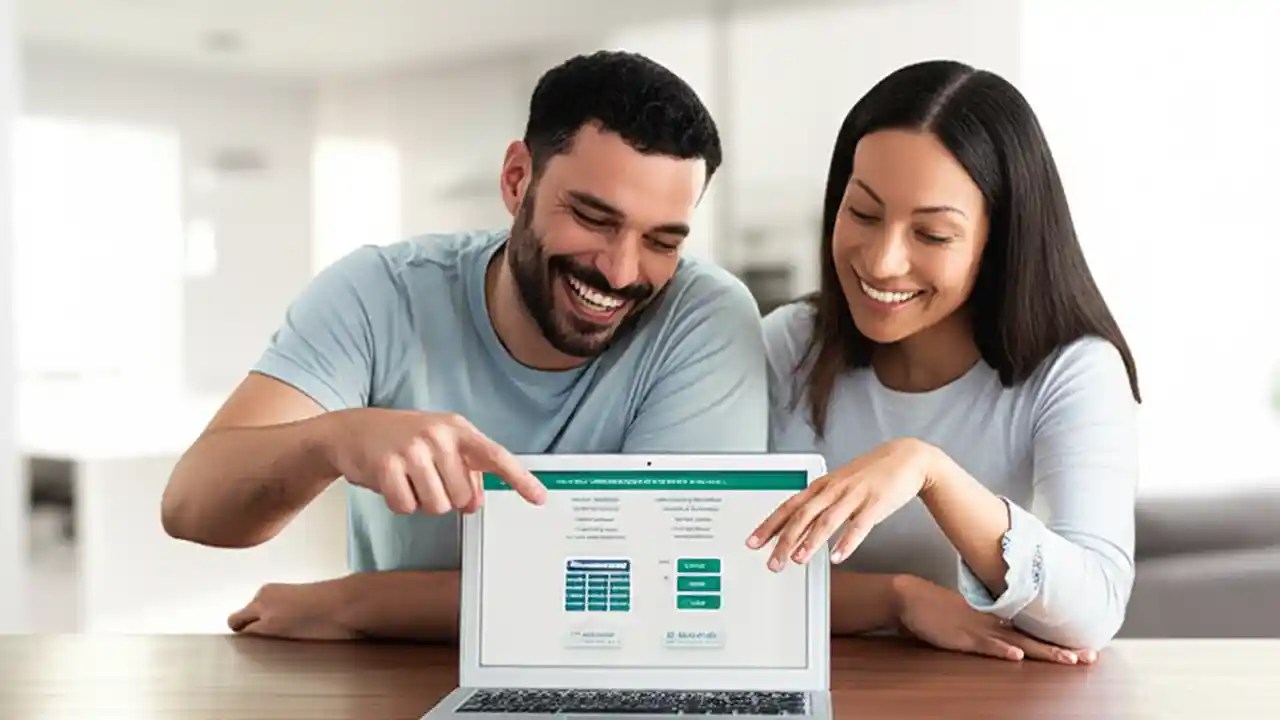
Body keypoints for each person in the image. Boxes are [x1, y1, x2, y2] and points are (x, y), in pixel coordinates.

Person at [160, 50, 769, 642]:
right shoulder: (379, 294)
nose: (619, 270)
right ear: (516, 180)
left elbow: (659, 585)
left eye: (662, 241)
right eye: (593, 218)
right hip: (398, 686)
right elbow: (192, 508)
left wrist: (355, 603)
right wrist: (336, 437)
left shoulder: (703, 318)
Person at [748, 60, 1141, 666]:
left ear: (998, 241)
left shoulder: (1074, 372)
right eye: (863, 213)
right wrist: (898, 601)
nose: (881, 262)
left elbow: (1093, 612)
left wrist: (928, 470)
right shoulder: (790, 346)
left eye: (931, 235)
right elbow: (726, 578)